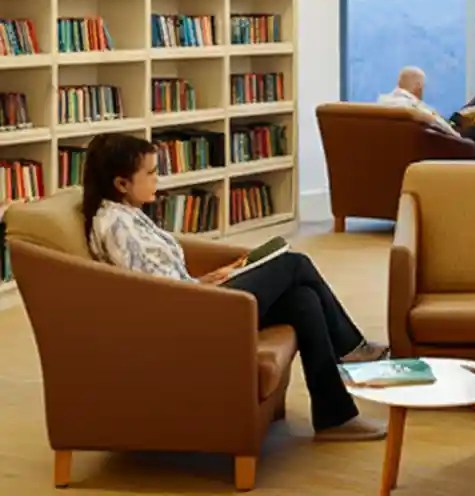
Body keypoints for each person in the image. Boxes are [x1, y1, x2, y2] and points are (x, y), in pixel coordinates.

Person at [81, 133, 389, 441]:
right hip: (188, 318)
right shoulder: (118, 226)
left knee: (303, 300)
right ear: (121, 184)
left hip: (193, 299)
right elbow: (150, 293)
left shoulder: (128, 214)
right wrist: (201, 289)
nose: (157, 179)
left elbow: (160, 278)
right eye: (150, 173)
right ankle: (351, 350)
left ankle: (334, 417)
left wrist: (204, 280)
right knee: (294, 264)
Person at [378, 66, 459, 135]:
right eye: (423, 87)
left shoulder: (381, 105)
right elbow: (440, 125)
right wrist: (457, 136)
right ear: (418, 86)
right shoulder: (414, 108)